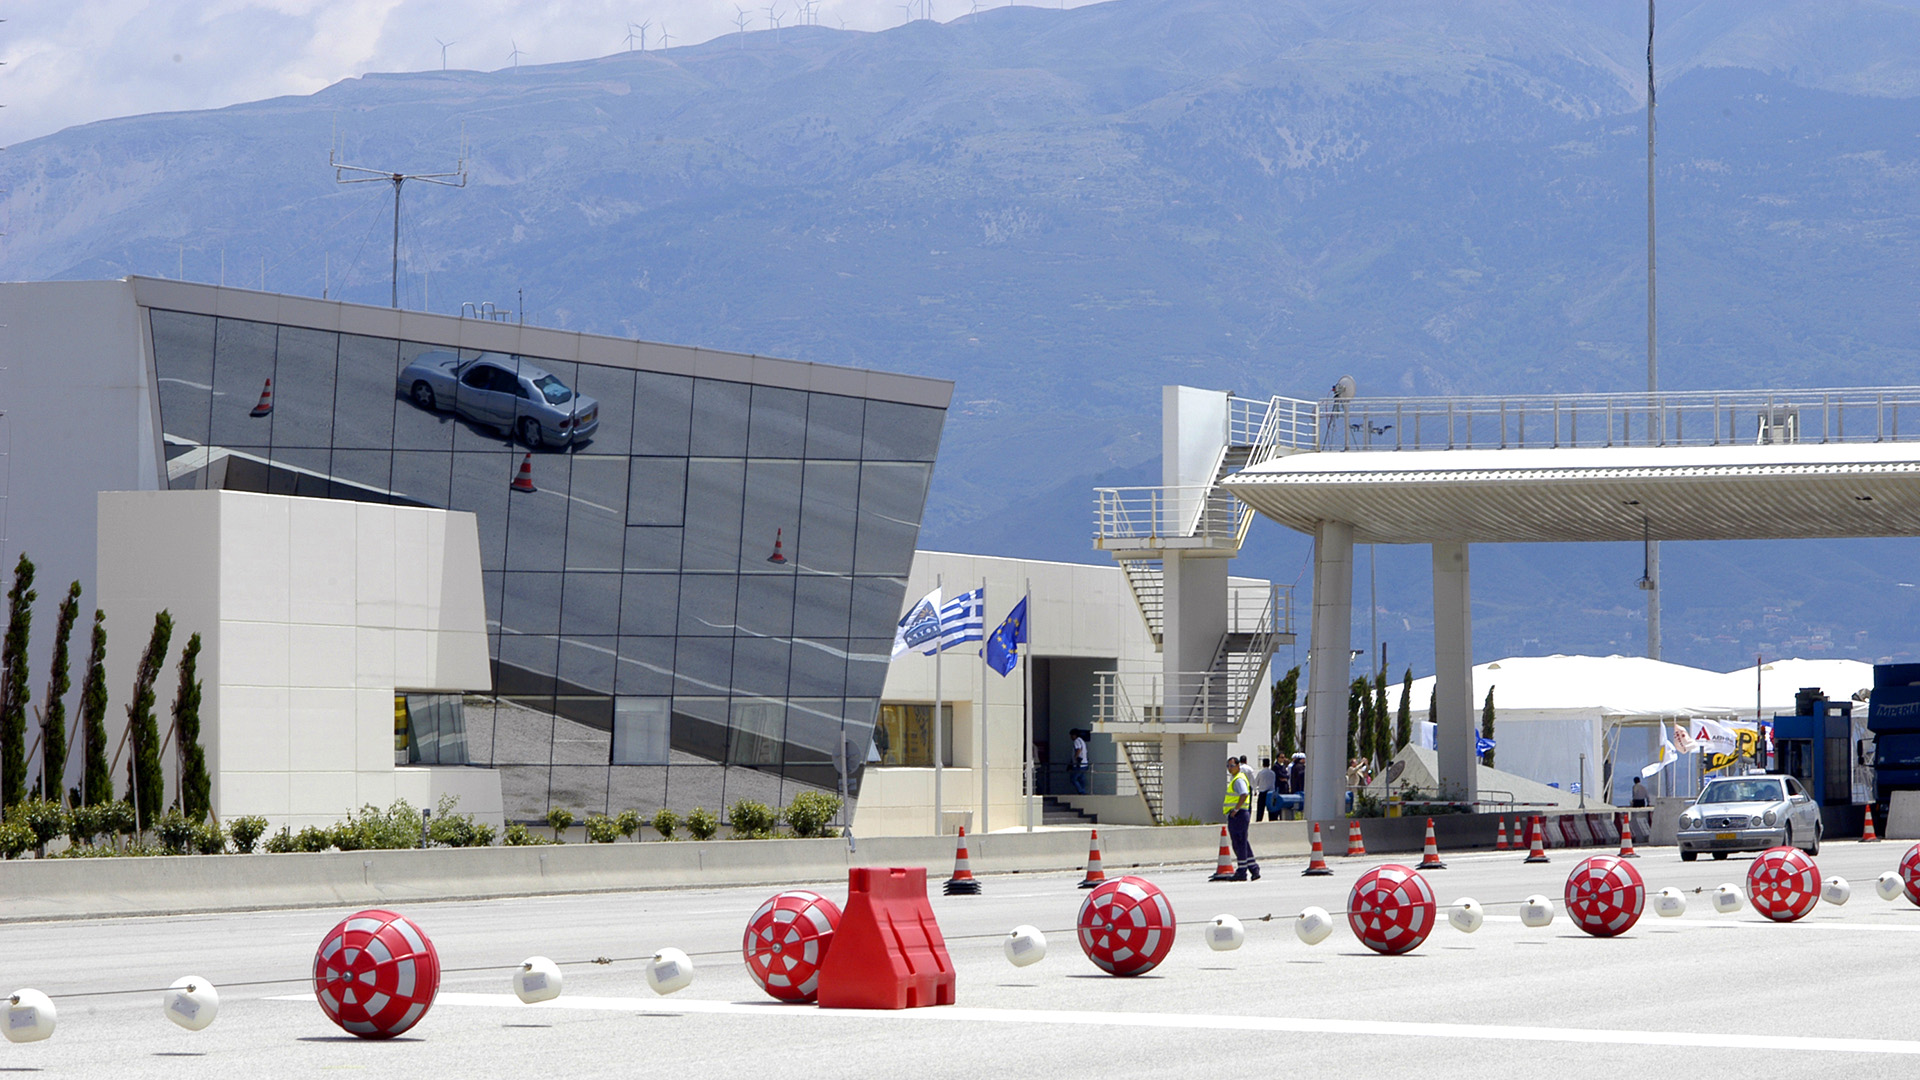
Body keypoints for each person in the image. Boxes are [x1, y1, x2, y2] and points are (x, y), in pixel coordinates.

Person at [1222, 755, 1259, 880]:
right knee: (1242, 842)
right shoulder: (1236, 778)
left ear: (1238, 766)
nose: (1229, 768)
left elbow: (1244, 794)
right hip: (1239, 814)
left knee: (1239, 843)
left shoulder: (1238, 779)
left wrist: (1236, 809)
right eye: (1228, 766)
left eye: (1232, 766)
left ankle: (1242, 871)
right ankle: (1253, 868)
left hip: (1238, 815)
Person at [1255, 758, 1276, 822]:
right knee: (1271, 809)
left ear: (1263, 764)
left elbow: (1256, 783)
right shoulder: (1272, 773)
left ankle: (1259, 820)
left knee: (1260, 809)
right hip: (1271, 793)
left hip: (1262, 792)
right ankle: (1272, 820)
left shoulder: (1261, 773)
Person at [1070, 729, 1090, 795]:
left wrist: (1075, 758)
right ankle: (1083, 790)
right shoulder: (1082, 741)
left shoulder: (1076, 741)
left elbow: (1078, 749)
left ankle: (1081, 791)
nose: (1071, 737)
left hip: (1078, 764)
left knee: (1073, 779)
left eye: (1071, 735)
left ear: (1074, 735)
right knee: (1081, 778)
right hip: (1084, 763)